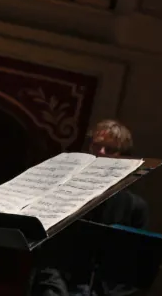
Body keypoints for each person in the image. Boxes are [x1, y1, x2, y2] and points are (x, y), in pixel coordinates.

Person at [29, 120, 149, 296]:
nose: (100, 153)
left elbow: (132, 272)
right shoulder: (63, 194)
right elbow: (48, 256)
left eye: (109, 149)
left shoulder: (134, 207)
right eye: (96, 146)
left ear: (124, 159)